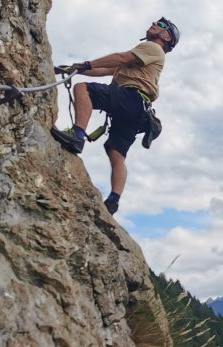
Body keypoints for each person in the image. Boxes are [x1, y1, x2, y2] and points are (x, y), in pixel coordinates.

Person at [51, 17, 179, 214]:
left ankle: (77, 135)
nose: (154, 24)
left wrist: (85, 65)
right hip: (138, 110)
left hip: (130, 97)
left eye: (160, 25)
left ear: (166, 36)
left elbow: (120, 58)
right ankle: (113, 200)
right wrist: (76, 69)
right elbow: (108, 69)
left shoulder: (152, 48)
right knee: (116, 152)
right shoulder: (144, 57)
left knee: (82, 89)